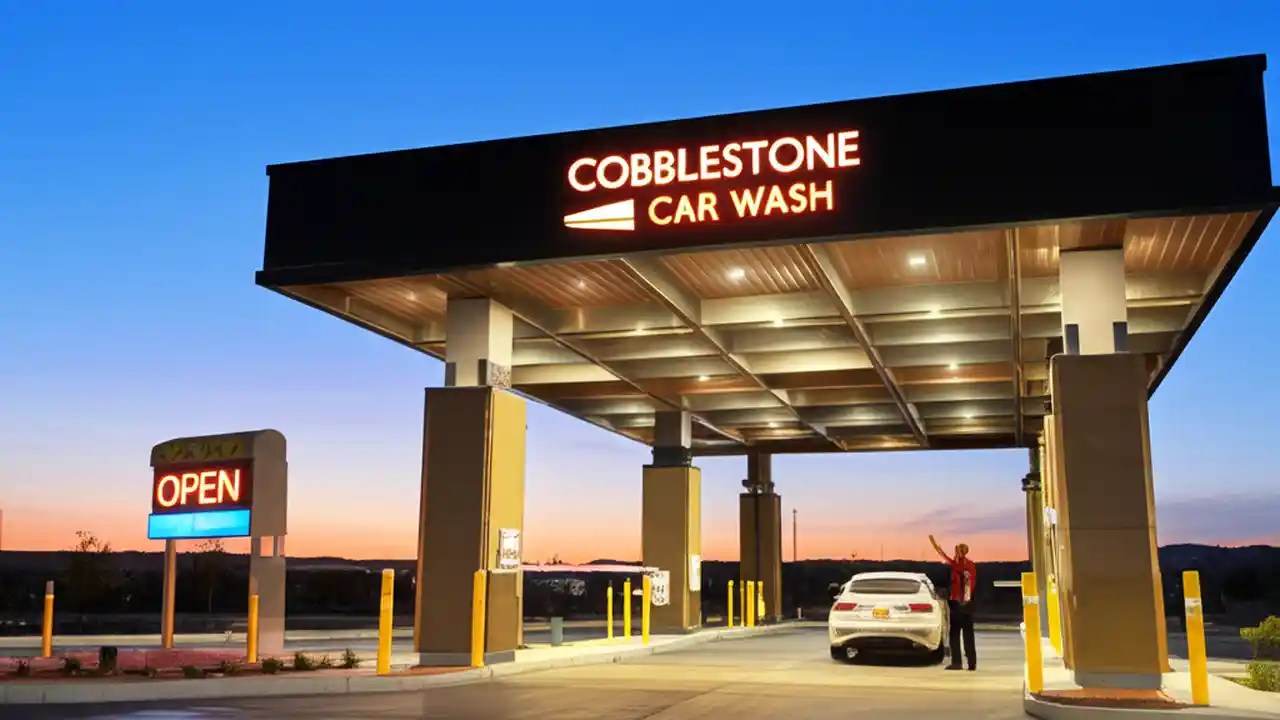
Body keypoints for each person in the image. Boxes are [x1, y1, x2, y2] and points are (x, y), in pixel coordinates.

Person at [929, 534, 977, 671]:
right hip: (968, 603)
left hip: (958, 603)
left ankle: (957, 663)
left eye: (957, 550)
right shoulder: (971, 565)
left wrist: (935, 546)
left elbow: (944, 557)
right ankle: (972, 663)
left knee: (955, 633)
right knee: (968, 634)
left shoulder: (957, 565)